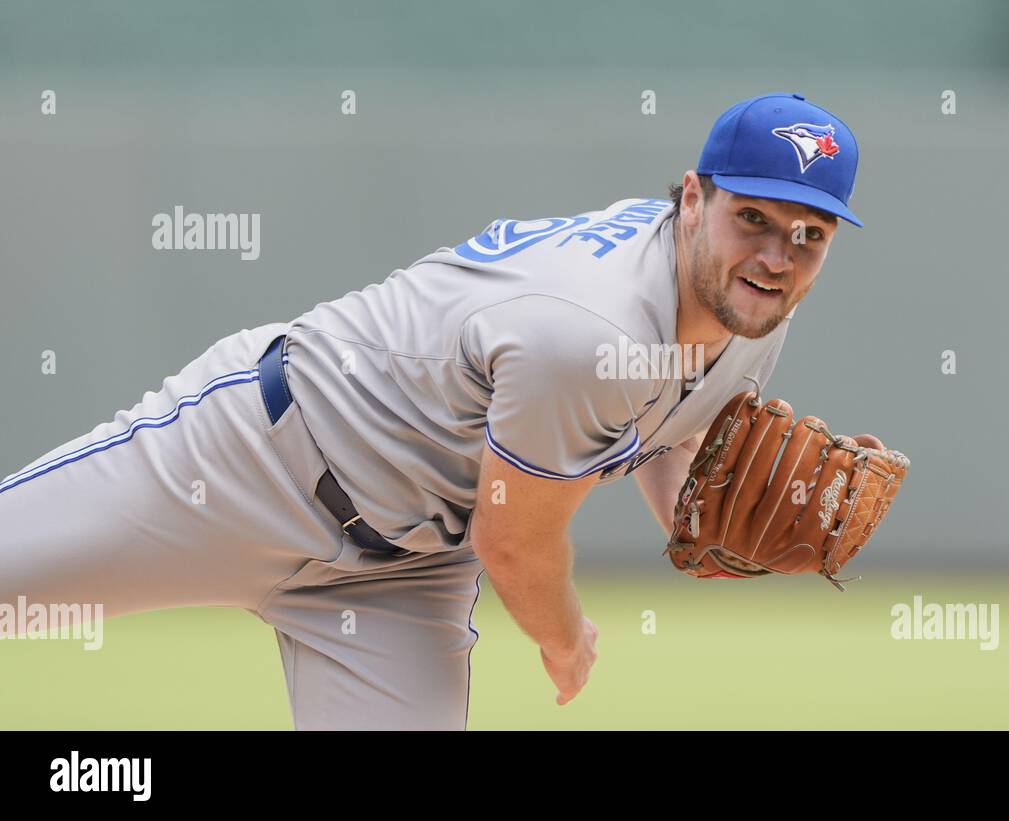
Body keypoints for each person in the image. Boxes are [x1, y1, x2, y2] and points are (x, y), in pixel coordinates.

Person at [0, 92, 863, 729]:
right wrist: (566, 639)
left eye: (808, 235)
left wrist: (694, 516)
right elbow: (515, 541)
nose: (776, 255)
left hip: (404, 574)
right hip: (250, 461)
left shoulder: (751, 312)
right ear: (690, 200)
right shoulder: (588, 327)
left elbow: (668, 433)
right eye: (751, 216)